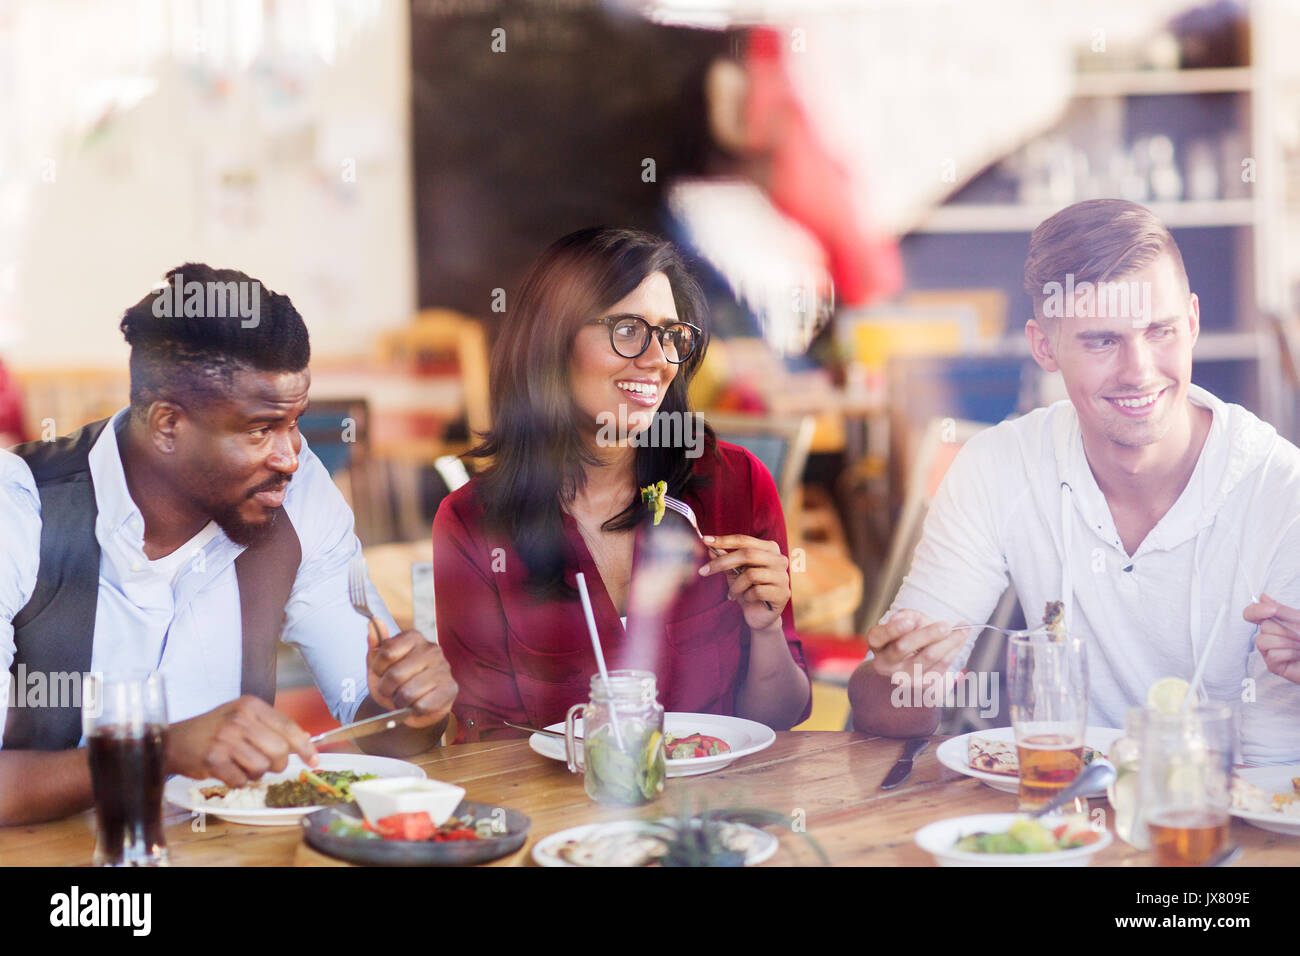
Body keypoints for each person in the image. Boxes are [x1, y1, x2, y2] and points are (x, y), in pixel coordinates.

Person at [0, 264, 457, 825]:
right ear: (168, 425)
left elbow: (383, 730)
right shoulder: (21, 509)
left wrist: (413, 709)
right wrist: (160, 749)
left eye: (296, 422)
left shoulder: (298, 494)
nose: (290, 456)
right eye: (260, 429)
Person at [848, 199, 1300, 765]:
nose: (1139, 370)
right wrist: (903, 677)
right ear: (1045, 347)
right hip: (1065, 821)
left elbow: (1275, 770)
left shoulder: (1282, 492)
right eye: (1102, 341)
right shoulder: (997, 466)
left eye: (1159, 331)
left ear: (1192, 323)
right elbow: (881, 711)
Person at [432, 227, 811, 740]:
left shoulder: (732, 485)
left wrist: (766, 630)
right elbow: (481, 739)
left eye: (671, 336)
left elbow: (778, 718)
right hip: (563, 815)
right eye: (628, 330)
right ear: (551, 341)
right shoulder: (474, 524)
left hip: (712, 808)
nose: (657, 361)